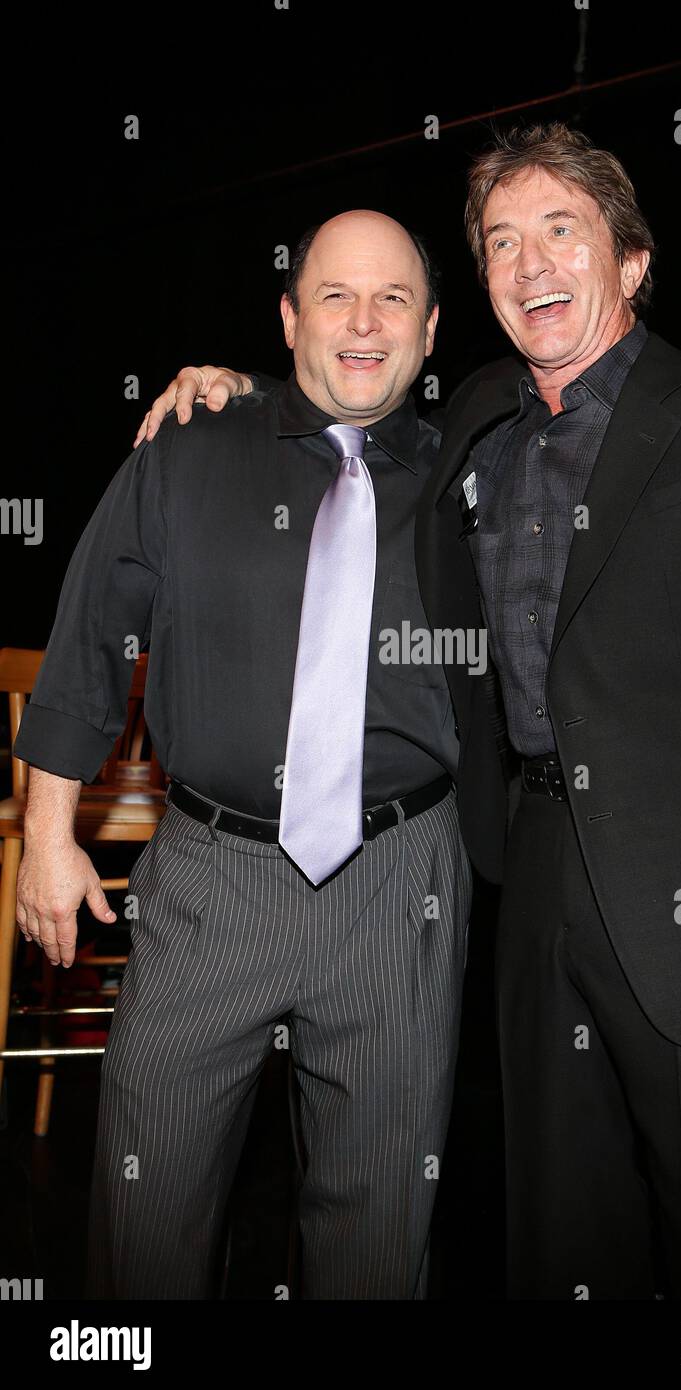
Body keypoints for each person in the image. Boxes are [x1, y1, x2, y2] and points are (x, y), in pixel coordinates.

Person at [133, 122, 681, 1300]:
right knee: (560, 1244)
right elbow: (339, 404)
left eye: (560, 232)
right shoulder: (477, 417)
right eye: (500, 242)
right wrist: (229, 391)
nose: (530, 263)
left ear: (628, 260)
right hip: (526, 885)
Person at [13, 210, 475, 1300]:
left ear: (431, 328)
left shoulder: (478, 475)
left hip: (400, 883)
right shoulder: (185, 448)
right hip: (207, 885)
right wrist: (46, 836)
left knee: (375, 1238)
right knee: (147, 1219)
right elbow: (86, 637)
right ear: (287, 314)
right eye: (334, 296)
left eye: (393, 299)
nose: (363, 324)